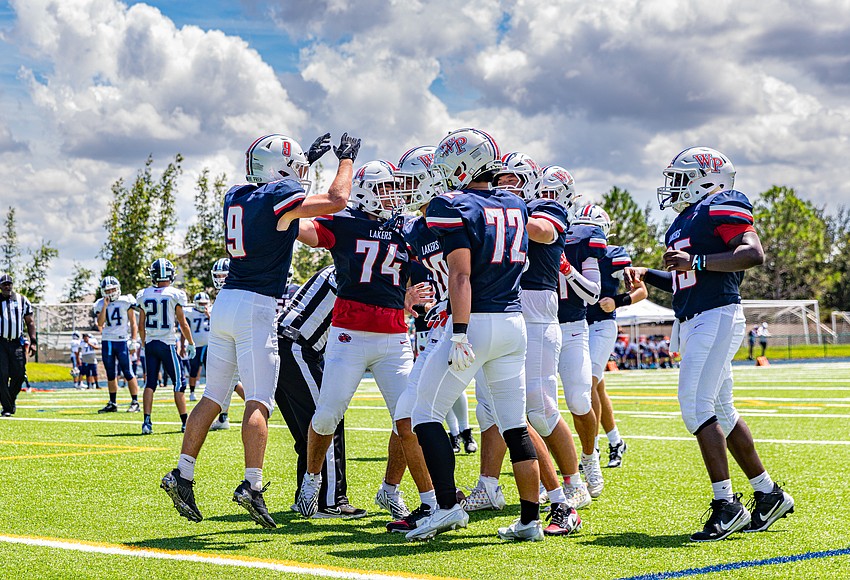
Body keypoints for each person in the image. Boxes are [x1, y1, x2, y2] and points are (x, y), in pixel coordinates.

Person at [162, 131, 361, 529]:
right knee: (258, 400)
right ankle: (252, 484)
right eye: (297, 167)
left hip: (226, 302)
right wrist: (345, 160)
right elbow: (337, 200)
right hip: (257, 305)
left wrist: (308, 159)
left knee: (214, 395)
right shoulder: (278, 196)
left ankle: (182, 473)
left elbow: (286, 201)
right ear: (281, 170)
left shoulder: (236, 194)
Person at [626, 146, 794, 541]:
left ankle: (726, 505)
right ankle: (768, 494)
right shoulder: (684, 220)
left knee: (695, 406)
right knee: (722, 410)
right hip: (699, 316)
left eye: (681, 178)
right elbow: (687, 279)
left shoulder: (722, 203)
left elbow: (753, 253)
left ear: (707, 178)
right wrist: (649, 273)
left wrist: (696, 261)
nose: (674, 187)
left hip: (716, 315)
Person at [408, 128, 543, 542]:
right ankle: (529, 520)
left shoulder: (455, 204)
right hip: (513, 322)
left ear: (461, 165)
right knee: (513, 424)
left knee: (424, 415)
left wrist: (460, 332)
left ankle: (447, 507)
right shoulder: (516, 203)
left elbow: (461, 274)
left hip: (476, 321)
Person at [293, 159, 434, 524]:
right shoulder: (344, 222)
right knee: (327, 413)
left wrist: (411, 297)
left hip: (394, 337)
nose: (393, 196)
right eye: (386, 188)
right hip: (349, 335)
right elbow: (300, 227)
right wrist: (296, 190)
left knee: (409, 418)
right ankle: (311, 481)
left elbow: (418, 276)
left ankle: (397, 491)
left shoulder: (404, 228)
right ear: (366, 190)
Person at [276, 265, 366, 519]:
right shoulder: (348, 271)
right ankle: (330, 501)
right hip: (297, 346)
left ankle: (306, 499)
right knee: (327, 420)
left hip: (287, 346)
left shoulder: (338, 267)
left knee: (309, 431)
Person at [581, 207, 647, 469]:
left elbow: (641, 291)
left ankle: (592, 450)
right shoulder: (571, 251)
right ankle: (616, 441)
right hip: (577, 326)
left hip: (602, 325)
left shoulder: (614, 254)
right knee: (596, 387)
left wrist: (618, 301)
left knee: (589, 383)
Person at [557, 203, 608, 499]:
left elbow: (592, 293)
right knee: (537, 408)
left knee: (578, 399)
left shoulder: (581, 238)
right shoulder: (519, 230)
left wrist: (566, 268)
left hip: (573, 326)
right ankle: (548, 476)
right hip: (537, 326)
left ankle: (589, 457)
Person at [137, 258, 195, 434]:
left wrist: (144, 341)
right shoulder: (174, 294)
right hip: (167, 344)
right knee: (179, 382)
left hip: (151, 343)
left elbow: (141, 325)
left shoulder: (143, 294)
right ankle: (185, 422)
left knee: (150, 383)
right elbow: (183, 323)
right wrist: (190, 342)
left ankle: (147, 422)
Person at [93, 276, 141, 413]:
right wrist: (105, 306)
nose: (110, 292)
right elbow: (100, 324)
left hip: (122, 341)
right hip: (108, 340)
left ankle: (135, 402)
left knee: (128, 371)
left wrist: (133, 340)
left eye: (113, 289)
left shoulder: (126, 301)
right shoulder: (100, 303)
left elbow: (133, 322)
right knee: (110, 373)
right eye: (107, 290)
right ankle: (113, 402)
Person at [0, 273, 36, 416]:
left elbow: (30, 322)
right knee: (2, 375)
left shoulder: (22, 300)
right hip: (1, 342)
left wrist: (33, 341)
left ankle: (10, 399)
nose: (7, 286)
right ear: (0, 287)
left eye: (9, 283)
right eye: (4, 284)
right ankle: (8, 408)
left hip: (16, 342)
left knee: (20, 374)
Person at [183, 292, 212, 402]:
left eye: (205, 303)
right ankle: (192, 392)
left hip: (209, 346)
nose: (203, 305)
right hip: (196, 346)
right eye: (200, 303)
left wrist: (208, 315)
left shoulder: (212, 311)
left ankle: (210, 392)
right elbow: (184, 328)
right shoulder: (190, 312)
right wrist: (182, 344)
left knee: (210, 371)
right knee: (193, 370)